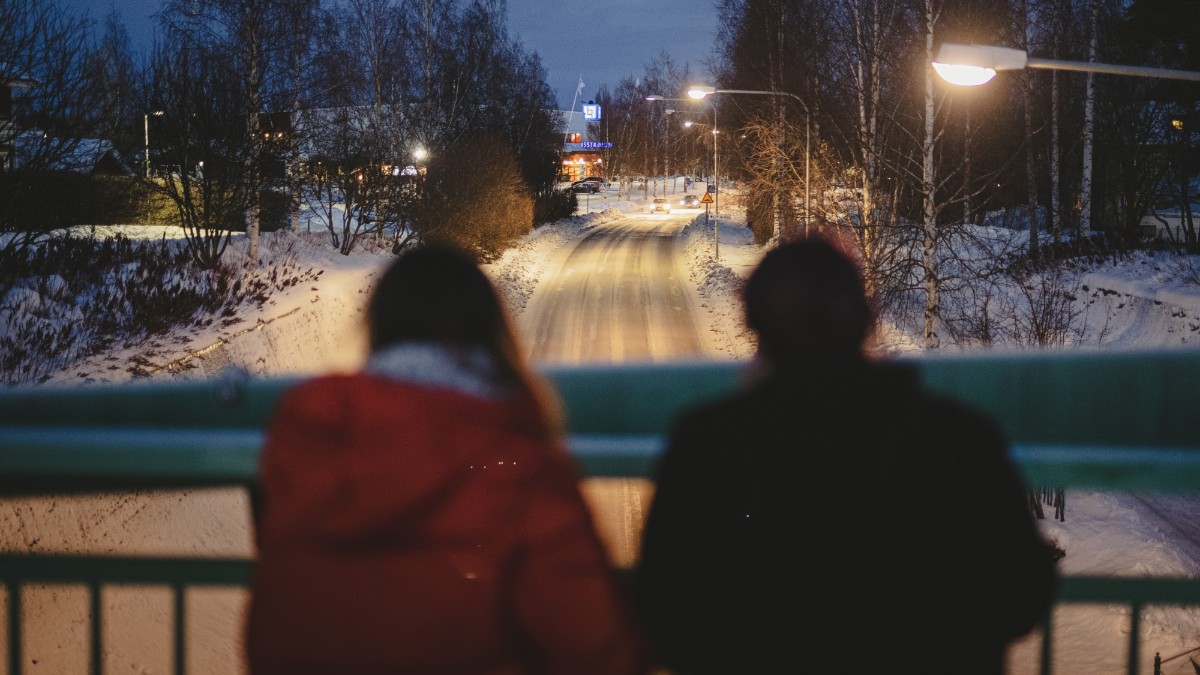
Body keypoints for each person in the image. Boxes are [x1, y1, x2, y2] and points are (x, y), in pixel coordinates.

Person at [634, 235, 1060, 675]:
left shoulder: (709, 444)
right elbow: (1023, 591)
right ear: (864, 322)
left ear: (755, 325)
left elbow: (663, 613)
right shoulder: (958, 436)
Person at [245, 244, 648, 675]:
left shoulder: (307, 448)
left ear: (379, 329)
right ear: (492, 332)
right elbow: (599, 651)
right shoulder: (516, 468)